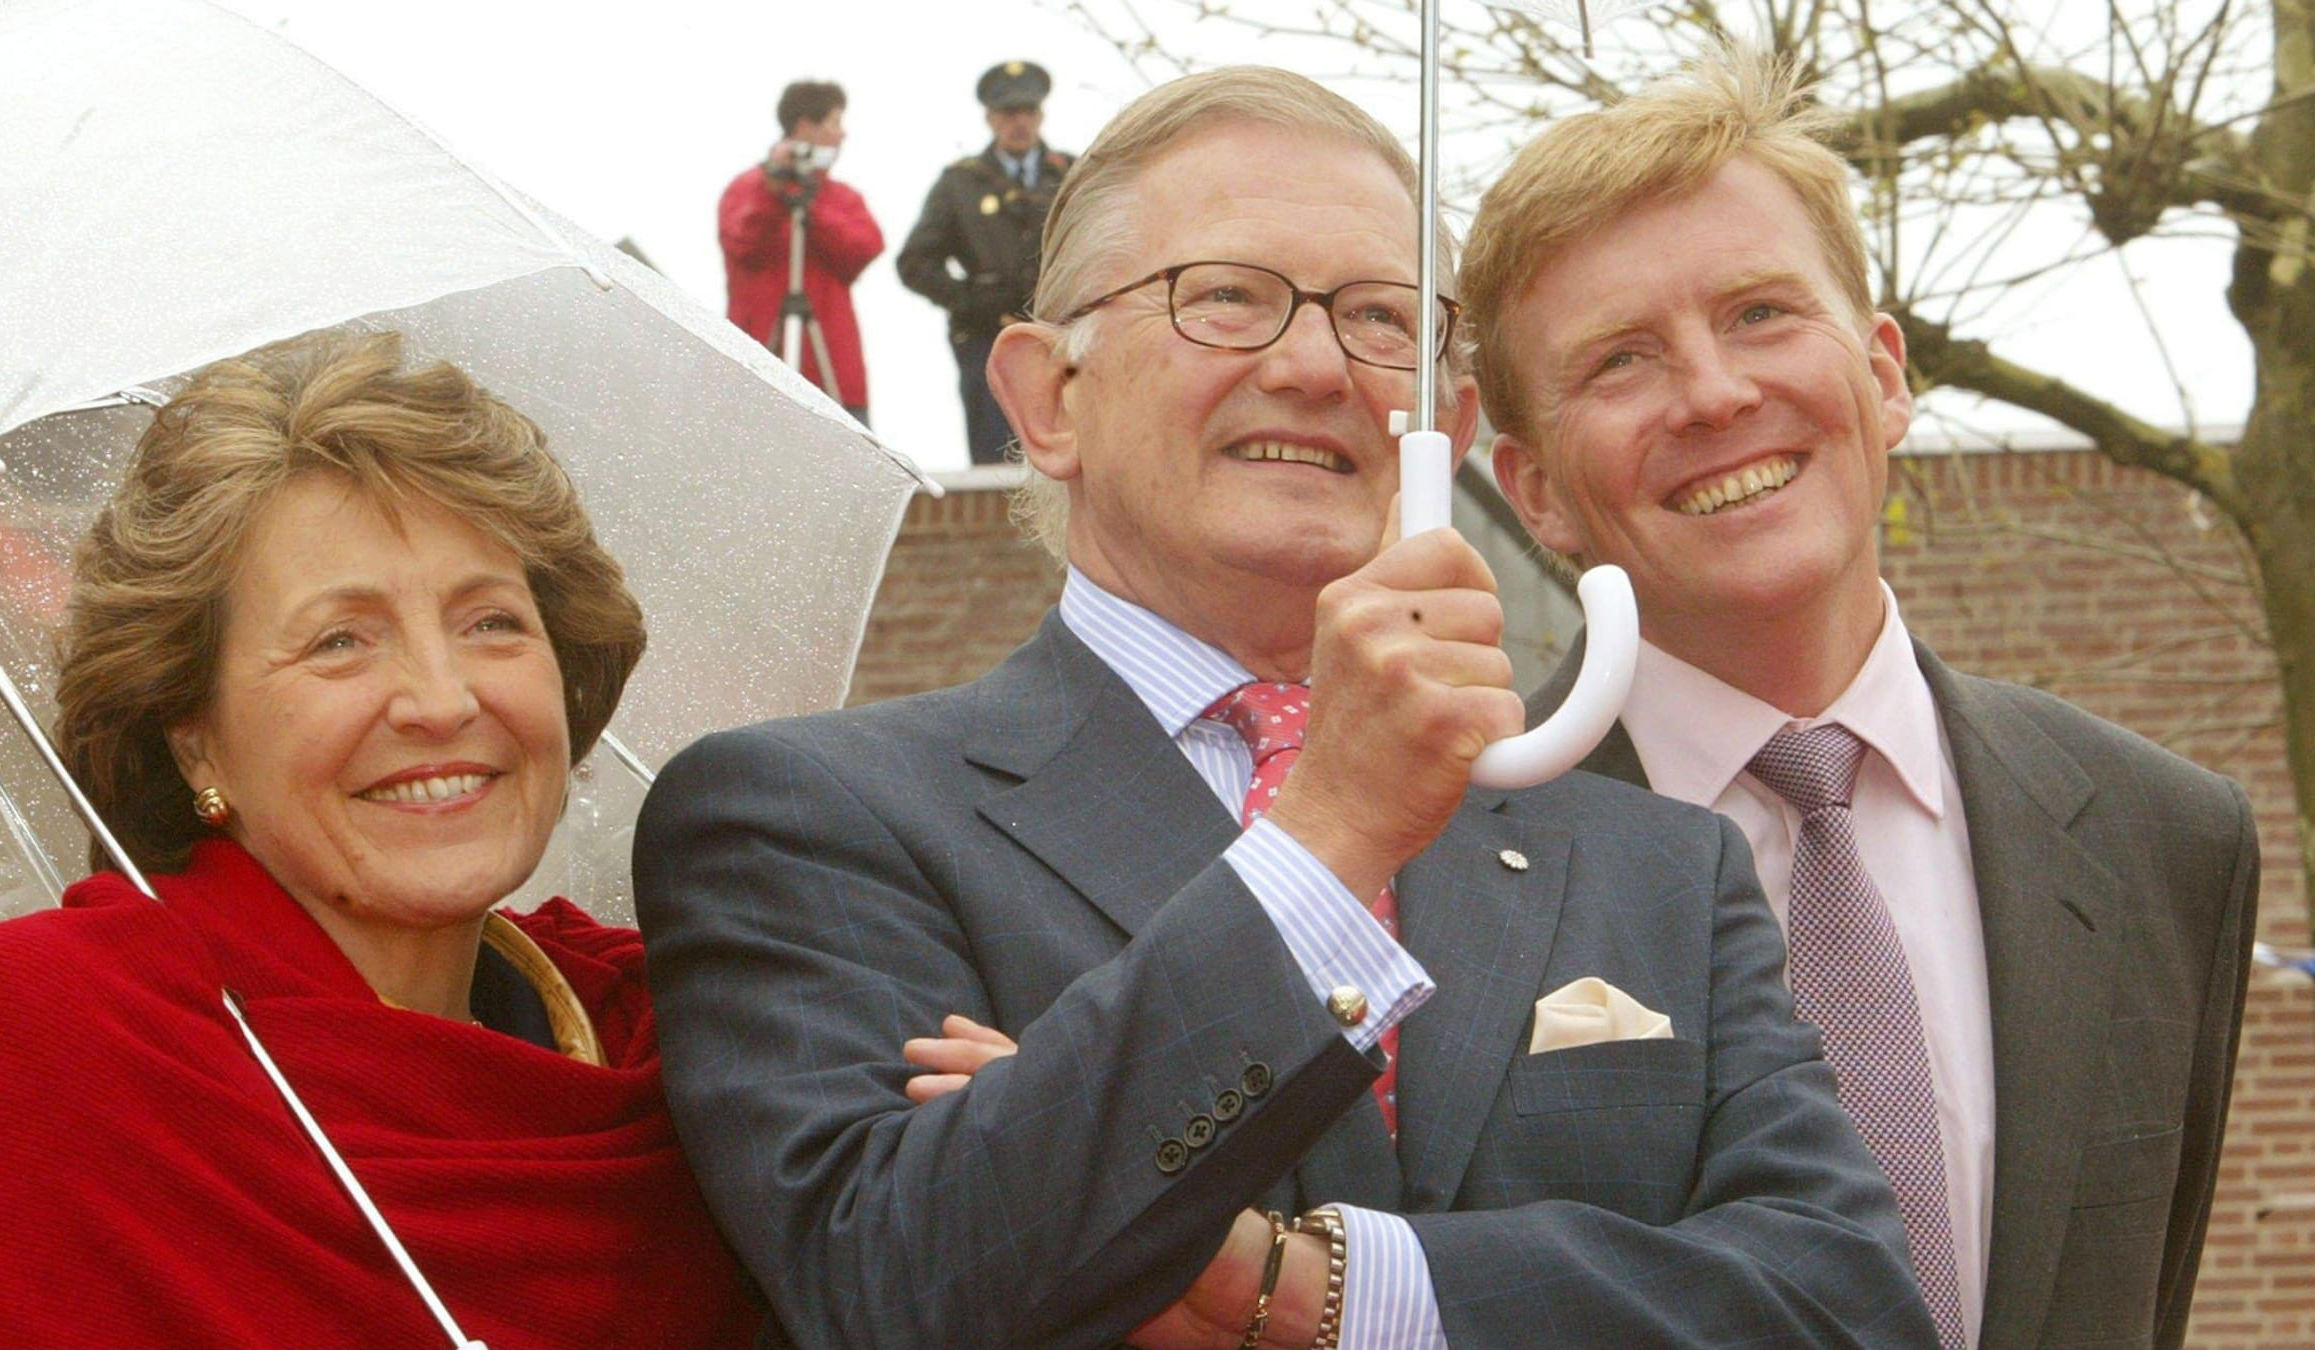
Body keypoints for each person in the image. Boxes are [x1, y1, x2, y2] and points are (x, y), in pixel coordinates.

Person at [638, 66, 1935, 1350]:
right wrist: (1328, 840)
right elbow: (898, 1280)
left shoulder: (1657, 861)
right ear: (1043, 394)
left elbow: (1850, 1306)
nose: (1317, 366)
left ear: (1452, 422)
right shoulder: (804, 820)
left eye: (1379, 319)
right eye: (1227, 300)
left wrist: (1315, 1286)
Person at [1469, 46, 2259, 1350]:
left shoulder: (2165, 835)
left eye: (1762, 314)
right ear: (1533, 486)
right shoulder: (1431, 869)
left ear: (1885, 374)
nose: (1716, 392)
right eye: (1620, 361)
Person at [0, 331, 761, 1350]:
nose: (442, 701)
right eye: (340, 641)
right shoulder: (52, 1046)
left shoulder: (684, 1054)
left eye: (491, 622)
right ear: (192, 735)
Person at [897, 59, 1072, 464]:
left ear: (1041, 114)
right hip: (988, 341)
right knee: (996, 466)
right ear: (991, 118)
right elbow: (915, 262)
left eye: (1028, 112)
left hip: (1061, 336)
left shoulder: (1070, 175)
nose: (1020, 123)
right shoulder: (961, 182)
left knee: (1070, 456)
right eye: (1010, 113)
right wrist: (970, 298)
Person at [720, 79, 884, 423]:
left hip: (833, 377)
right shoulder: (748, 189)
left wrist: (809, 208)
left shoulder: (840, 198)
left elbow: (865, 247)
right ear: (806, 127)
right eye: (835, 123)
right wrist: (772, 194)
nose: (842, 135)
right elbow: (743, 244)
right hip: (760, 367)